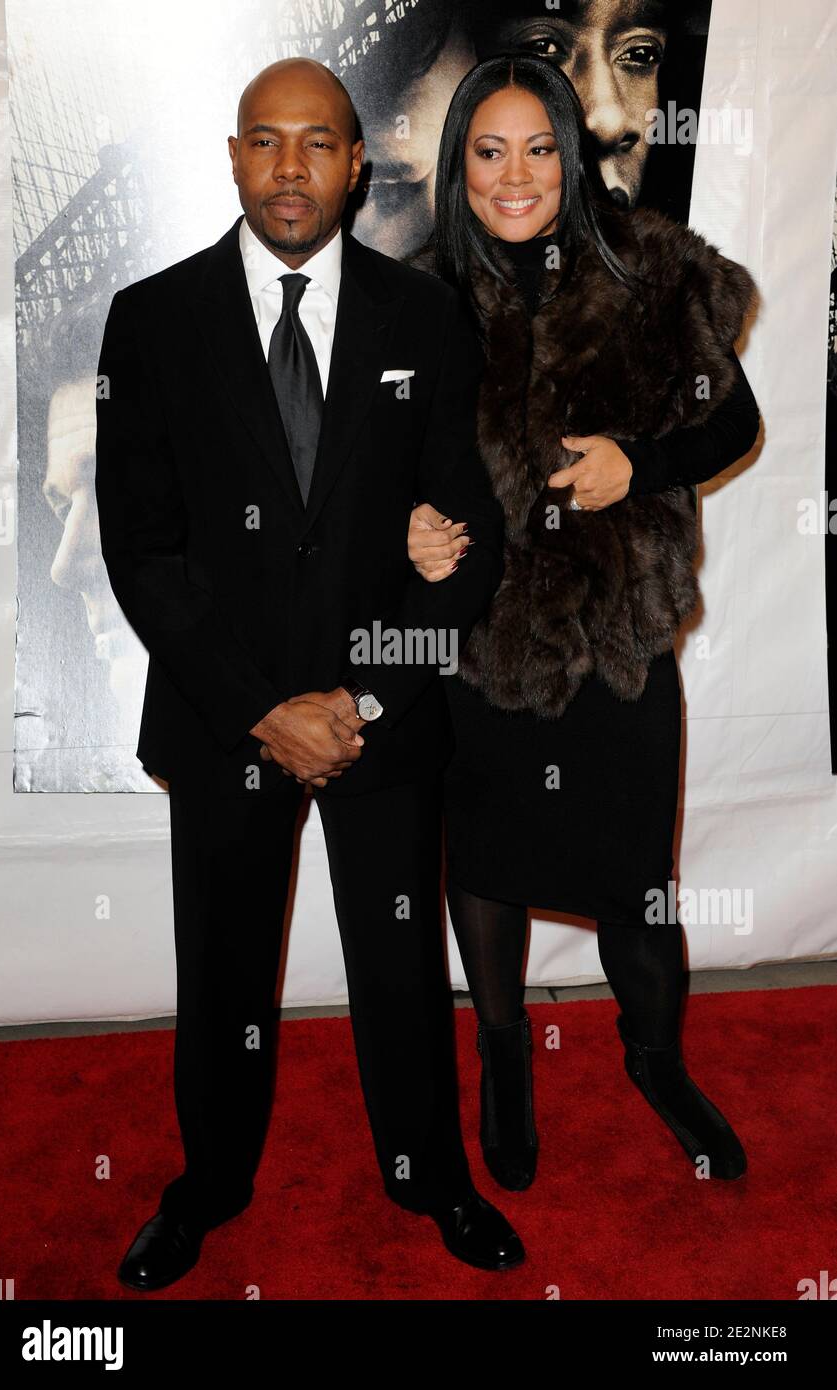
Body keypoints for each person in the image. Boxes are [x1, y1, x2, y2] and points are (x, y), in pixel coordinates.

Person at [94, 56, 523, 1291]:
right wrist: (258, 708)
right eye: (266, 143)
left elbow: (470, 539)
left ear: (356, 164)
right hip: (224, 715)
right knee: (220, 966)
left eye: (318, 143)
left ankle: (430, 1177)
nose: (291, 168)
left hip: (381, 715)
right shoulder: (153, 320)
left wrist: (366, 700)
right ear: (232, 156)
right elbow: (144, 549)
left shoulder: (425, 318)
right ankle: (206, 1186)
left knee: (398, 968)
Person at [406, 55, 761, 1191]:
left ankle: (656, 1062)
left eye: (538, 148)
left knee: (635, 881)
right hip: (479, 641)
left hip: (615, 640)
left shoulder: (654, 272)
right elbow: (372, 473)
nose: (515, 175)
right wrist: (408, 531)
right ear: (459, 164)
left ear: (572, 150)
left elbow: (730, 425)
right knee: (489, 864)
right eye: (488, 151)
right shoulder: (418, 297)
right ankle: (502, 1054)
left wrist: (638, 462)